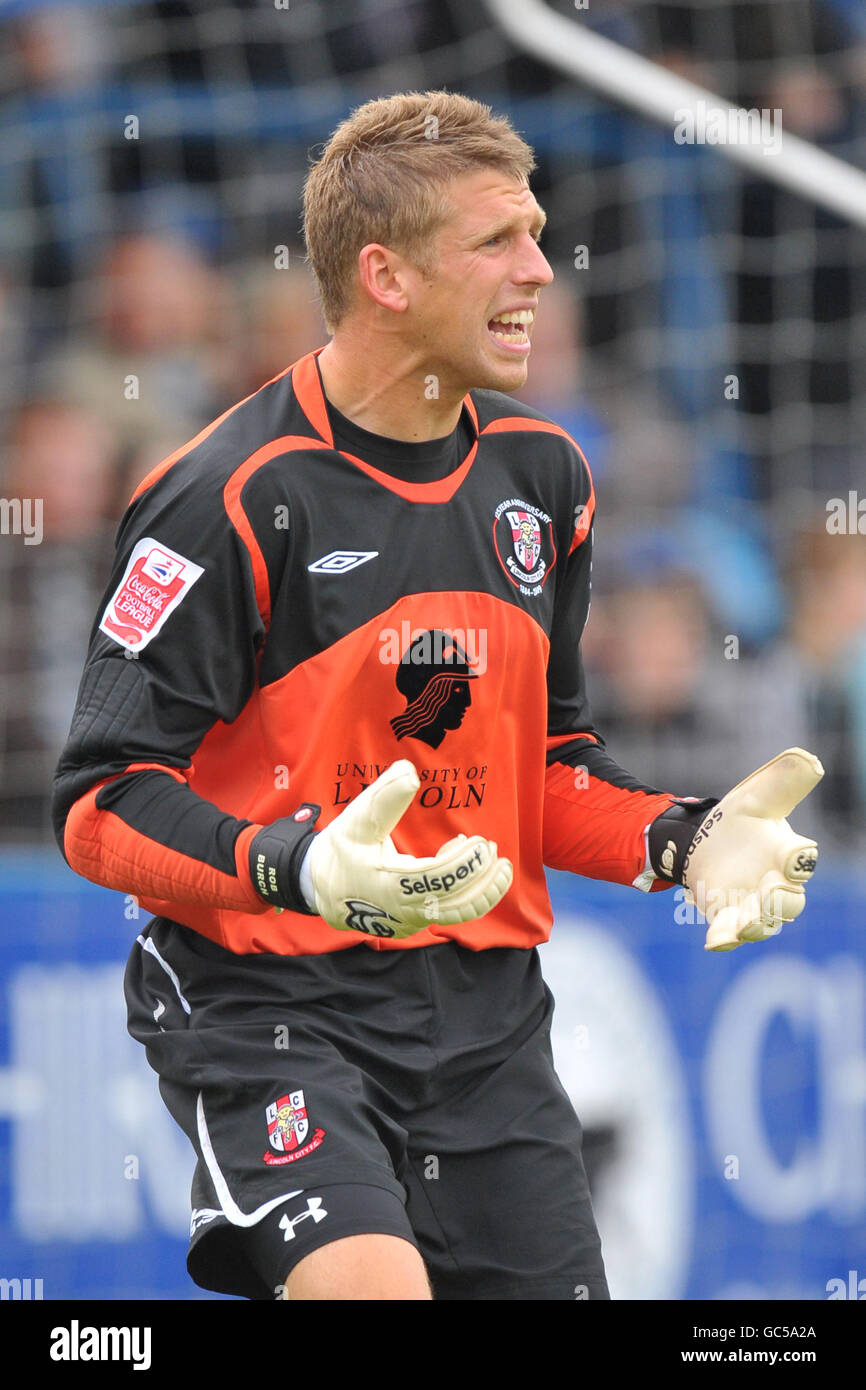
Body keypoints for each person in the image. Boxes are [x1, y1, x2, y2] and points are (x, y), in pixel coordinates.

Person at [52, 90, 823, 1302]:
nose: (537, 270)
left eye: (535, 232)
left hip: (485, 1023)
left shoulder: (546, 476)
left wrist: (686, 841)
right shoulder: (227, 499)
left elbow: (549, 769)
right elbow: (97, 805)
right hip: (271, 998)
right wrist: (293, 864)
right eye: (496, 242)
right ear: (386, 276)